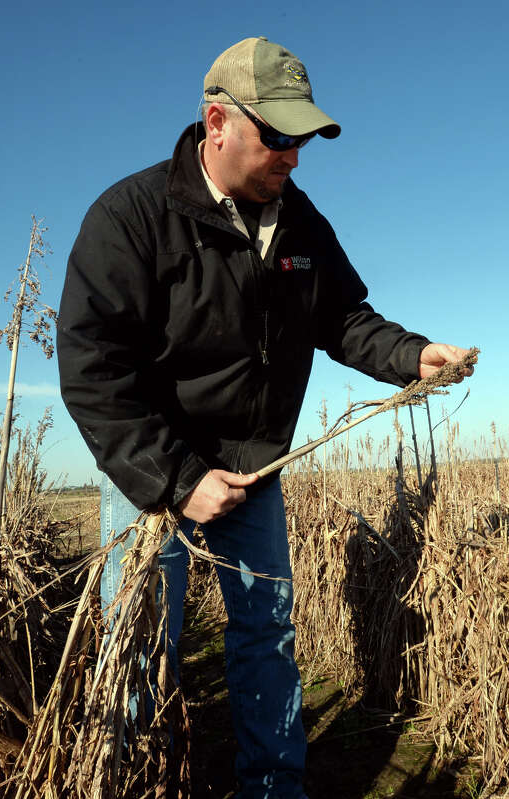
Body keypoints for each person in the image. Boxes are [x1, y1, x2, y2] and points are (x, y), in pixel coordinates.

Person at [57, 36, 472, 799]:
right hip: (152, 475)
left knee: (266, 634)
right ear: (218, 121)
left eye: (302, 137)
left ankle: (275, 785)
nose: (294, 154)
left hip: (255, 467)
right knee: (144, 637)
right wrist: (176, 479)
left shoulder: (300, 222)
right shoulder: (130, 217)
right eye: (277, 134)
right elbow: (92, 371)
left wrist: (414, 356)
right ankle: (138, 779)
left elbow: (345, 318)